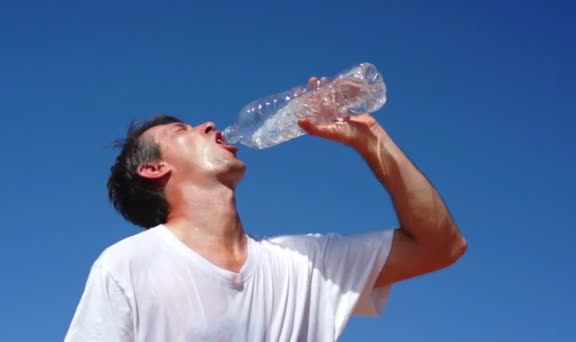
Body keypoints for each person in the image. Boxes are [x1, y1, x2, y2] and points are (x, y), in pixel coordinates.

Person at [64, 76, 467, 341]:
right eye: (182, 131)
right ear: (154, 168)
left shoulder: (304, 263)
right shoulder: (128, 266)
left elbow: (440, 246)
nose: (206, 124)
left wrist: (371, 139)